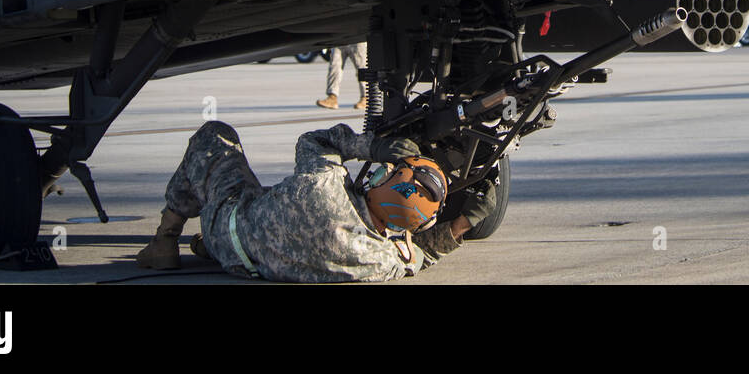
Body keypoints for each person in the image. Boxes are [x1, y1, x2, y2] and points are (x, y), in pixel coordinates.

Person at [134, 121, 495, 282]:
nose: (382, 172)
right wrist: (462, 224)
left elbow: (314, 141)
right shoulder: (381, 260)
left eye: (387, 173)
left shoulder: (326, 185)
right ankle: (203, 248)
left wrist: (372, 147)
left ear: (389, 186)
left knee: (216, 135)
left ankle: (164, 240)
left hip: (228, 222)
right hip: (252, 263)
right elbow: (423, 255)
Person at [317, 41, 367, 110]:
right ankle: (332, 97)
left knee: (362, 67)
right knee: (334, 65)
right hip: (339, 38)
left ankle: (366, 97)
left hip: (357, 37)